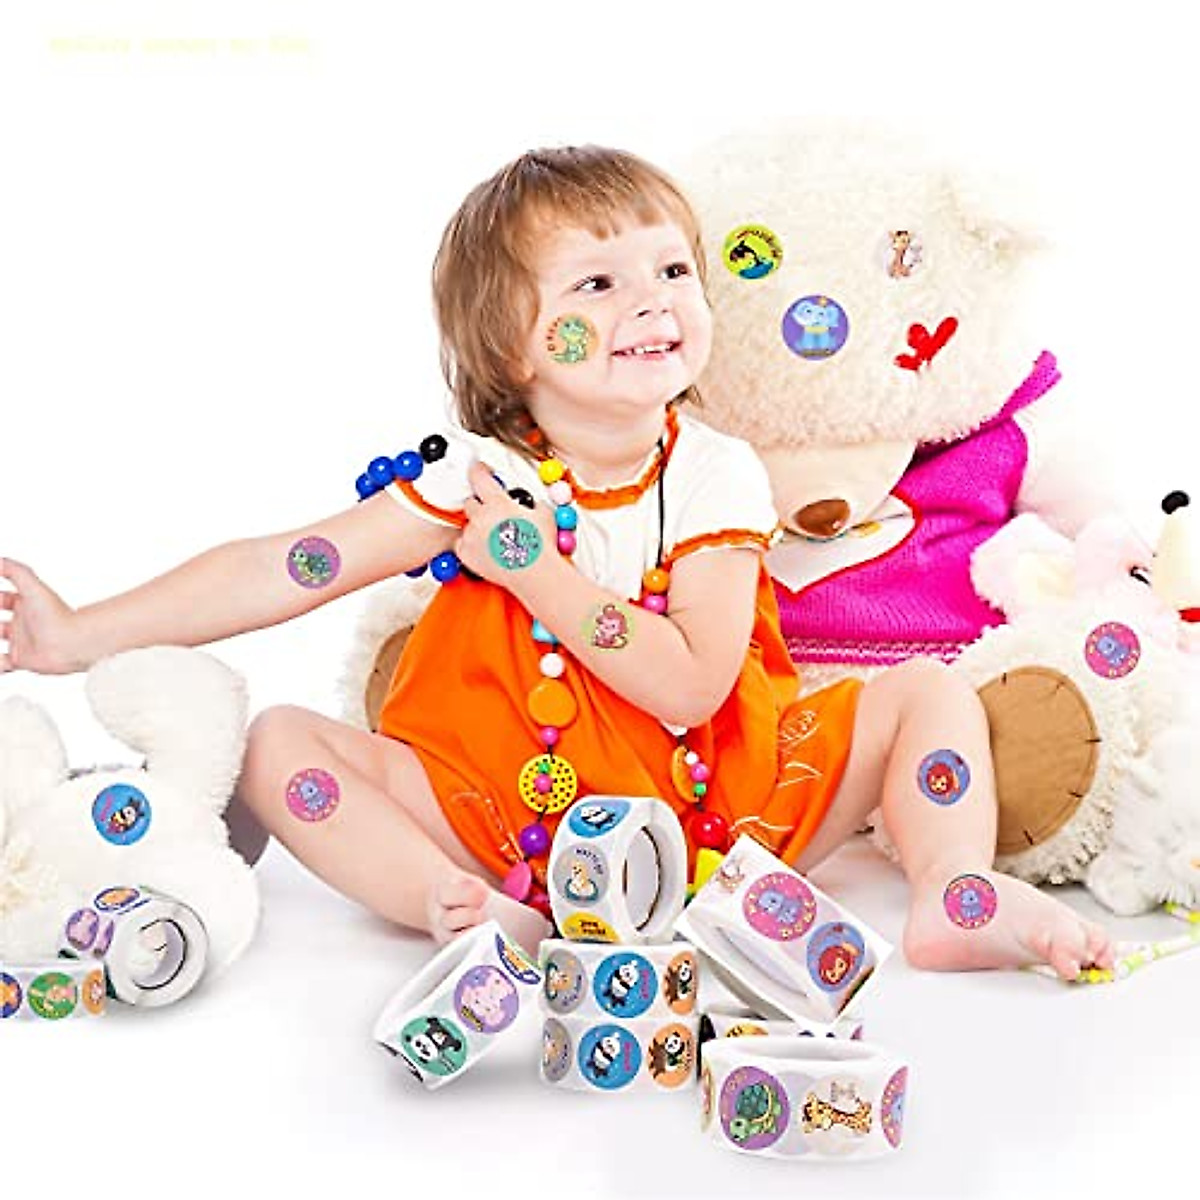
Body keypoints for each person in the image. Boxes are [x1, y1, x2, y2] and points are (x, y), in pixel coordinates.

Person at [0, 145, 1113, 979]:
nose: (652, 301)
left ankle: (953, 892)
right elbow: (289, 565)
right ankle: (461, 910)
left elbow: (694, 685)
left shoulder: (716, 474)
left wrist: (540, 575)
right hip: (496, 819)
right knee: (279, 744)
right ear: (509, 344)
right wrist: (78, 633)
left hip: (717, 819)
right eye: (596, 284)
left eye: (671, 269)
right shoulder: (475, 478)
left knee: (925, 693)